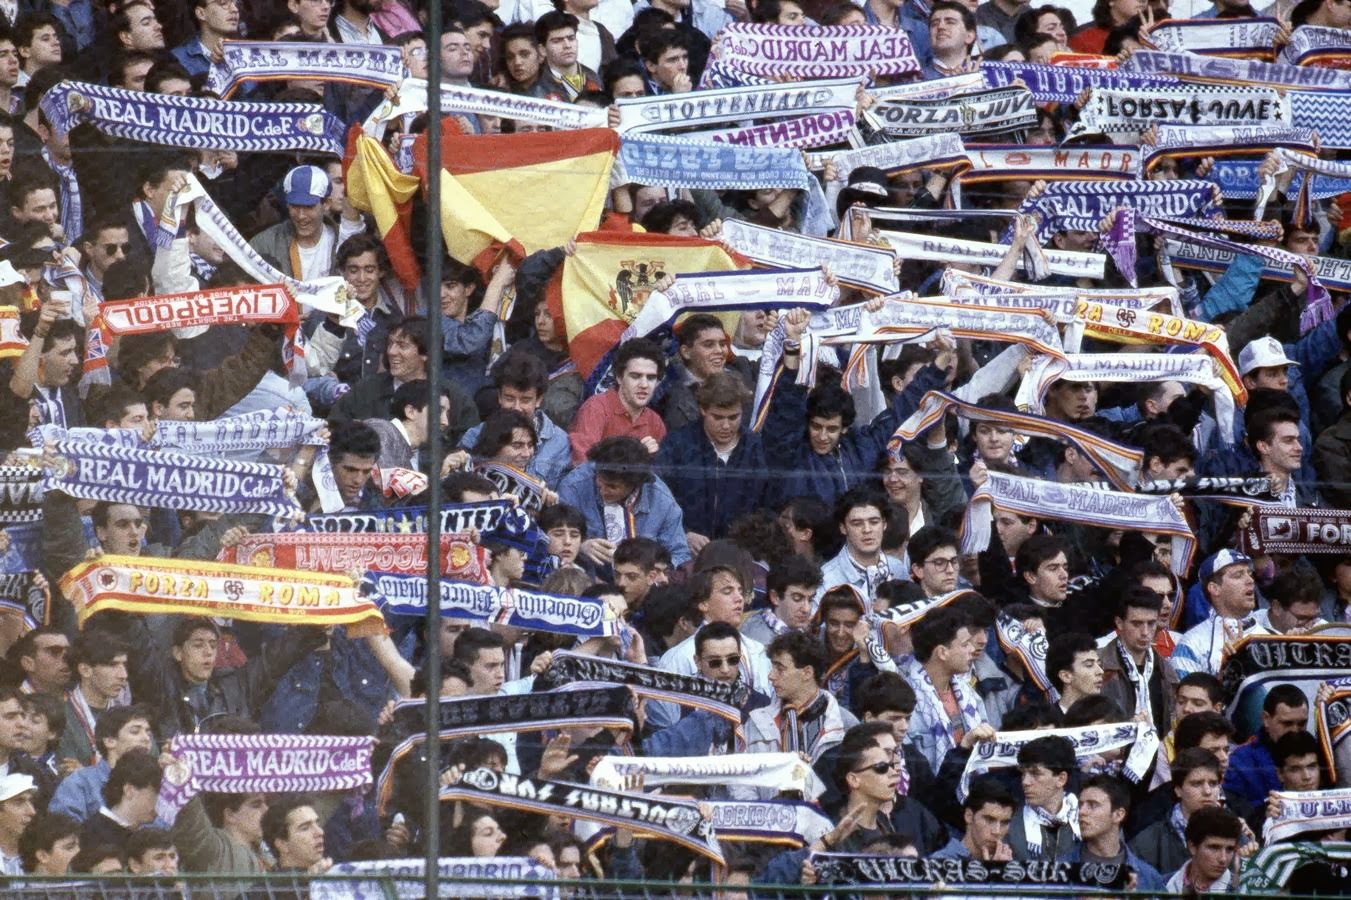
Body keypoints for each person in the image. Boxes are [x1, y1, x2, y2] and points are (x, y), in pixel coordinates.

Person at [557, 436, 691, 568]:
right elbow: (553, 536)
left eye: (612, 486)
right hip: (584, 574)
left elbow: (680, 555)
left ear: (634, 485)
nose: (603, 490)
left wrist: (652, 570)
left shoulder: (663, 503)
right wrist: (580, 546)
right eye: (599, 481)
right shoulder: (574, 487)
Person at [747, 632, 851, 763]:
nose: (771, 676)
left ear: (807, 672)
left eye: (780, 669)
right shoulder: (757, 721)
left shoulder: (846, 723)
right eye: (772, 668)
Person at [568, 338, 667, 464]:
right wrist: (637, 455)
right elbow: (582, 465)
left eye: (651, 378)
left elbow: (664, 471)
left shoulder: (655, 422)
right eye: (635, 376)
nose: (644, 384)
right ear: (619, 377)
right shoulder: (596, 409)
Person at [1100, 585, 1178, 736]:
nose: (1145, 632)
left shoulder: (1167, 670)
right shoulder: (1098, 666)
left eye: (1151, 623)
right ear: (1119, 623)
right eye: (1137, 624)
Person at [1224, 684, 1309, 808]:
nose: (1295, 731)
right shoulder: (1238, 763)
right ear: (1266, 719)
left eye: (1302, 724)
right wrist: (1265, 813)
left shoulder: (1320, 753)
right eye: (1287, 723)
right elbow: (1234, 812)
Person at [819, 490, 908, 604]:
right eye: (857, 524)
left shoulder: (898, 568)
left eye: (874, 522)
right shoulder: (826, 580)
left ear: (884, 524)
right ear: (843, 528)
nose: (867, 530)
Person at [1007, 735, 1081, 861]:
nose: (1025, 782)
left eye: (1035, 774)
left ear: (1061, 779)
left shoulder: (1086, 819)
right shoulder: (1009, 823)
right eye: (1023, 773)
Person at [1164, 806, 1241, 893]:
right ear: (1192, 847)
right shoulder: (1161, 885)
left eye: (1230, 849)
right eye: (1214, 848)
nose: (1223, 859)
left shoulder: (1243, 891)